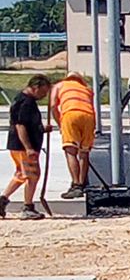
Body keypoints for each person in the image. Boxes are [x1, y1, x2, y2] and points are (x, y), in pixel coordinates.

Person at [2, 74, 51, 218]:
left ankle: (2, 200)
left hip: (18, 145)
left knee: (21, 174)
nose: (44, 96)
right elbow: (20, 126)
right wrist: (29, 148)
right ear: (35, 88)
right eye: (43, 92)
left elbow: (29, 125)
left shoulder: (24, 100)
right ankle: (27, 207)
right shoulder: (25, 102)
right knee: (32, 175)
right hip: (23, 146)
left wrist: (41, 129)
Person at [49, 70, 97, 198]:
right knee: (84, 152)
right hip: (89, 116)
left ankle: (76, 184)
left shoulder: (59, 86)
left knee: (70, 150)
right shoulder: (87, 89)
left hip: (70, 114)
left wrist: (60, 123)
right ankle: (82, 184)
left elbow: (53, 105)